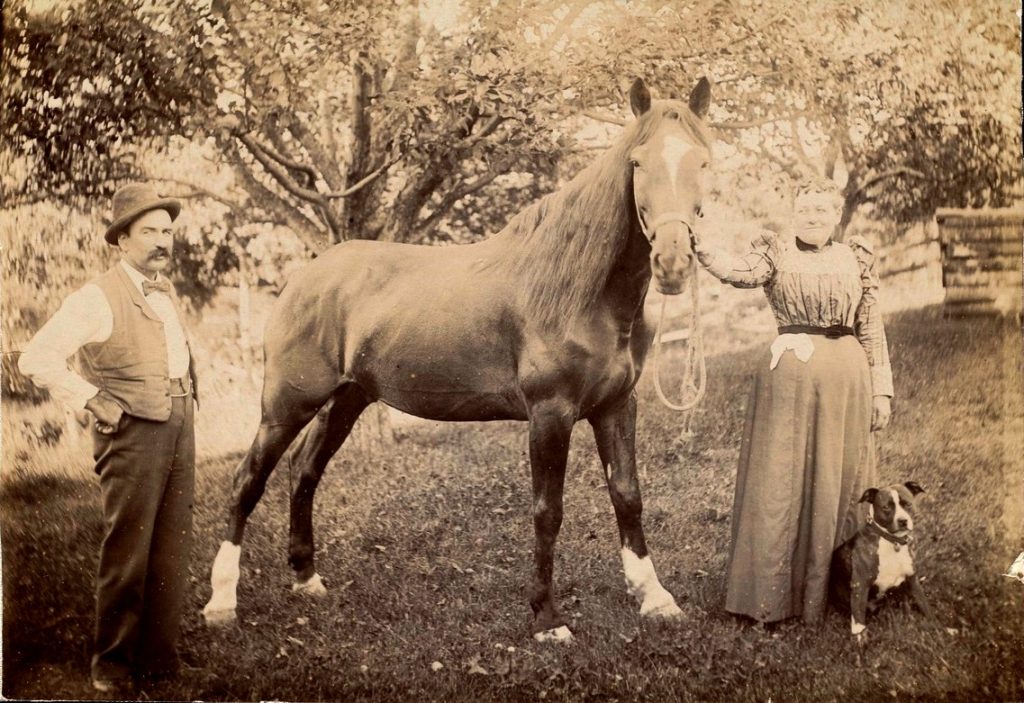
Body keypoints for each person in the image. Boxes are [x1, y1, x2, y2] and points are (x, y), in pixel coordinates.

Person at [18, 183, 199, 693]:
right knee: (129, 547)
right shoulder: (95, 296)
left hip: (180, 420)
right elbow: (38, 358)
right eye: (150, 232)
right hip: (133, 430)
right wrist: (90, 398)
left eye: (168, 231)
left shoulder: (163, 290)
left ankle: (160, 661)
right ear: (121, 240)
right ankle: (112, 664)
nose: (163, 241)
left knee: (171, 545)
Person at [691, 176, 893, 626]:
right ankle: (772, 597)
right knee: (780, 481)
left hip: (847, 381)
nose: (813, 216)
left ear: (836, 215)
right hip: (789, 381)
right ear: (793, 213)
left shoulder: (855, 257)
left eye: (822, 209)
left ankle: (841, 592)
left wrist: (881, 389)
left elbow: (872, 328)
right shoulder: (774, 252)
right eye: (805, 209)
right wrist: (700, 246)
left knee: (841, 479)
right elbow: (739, 272)